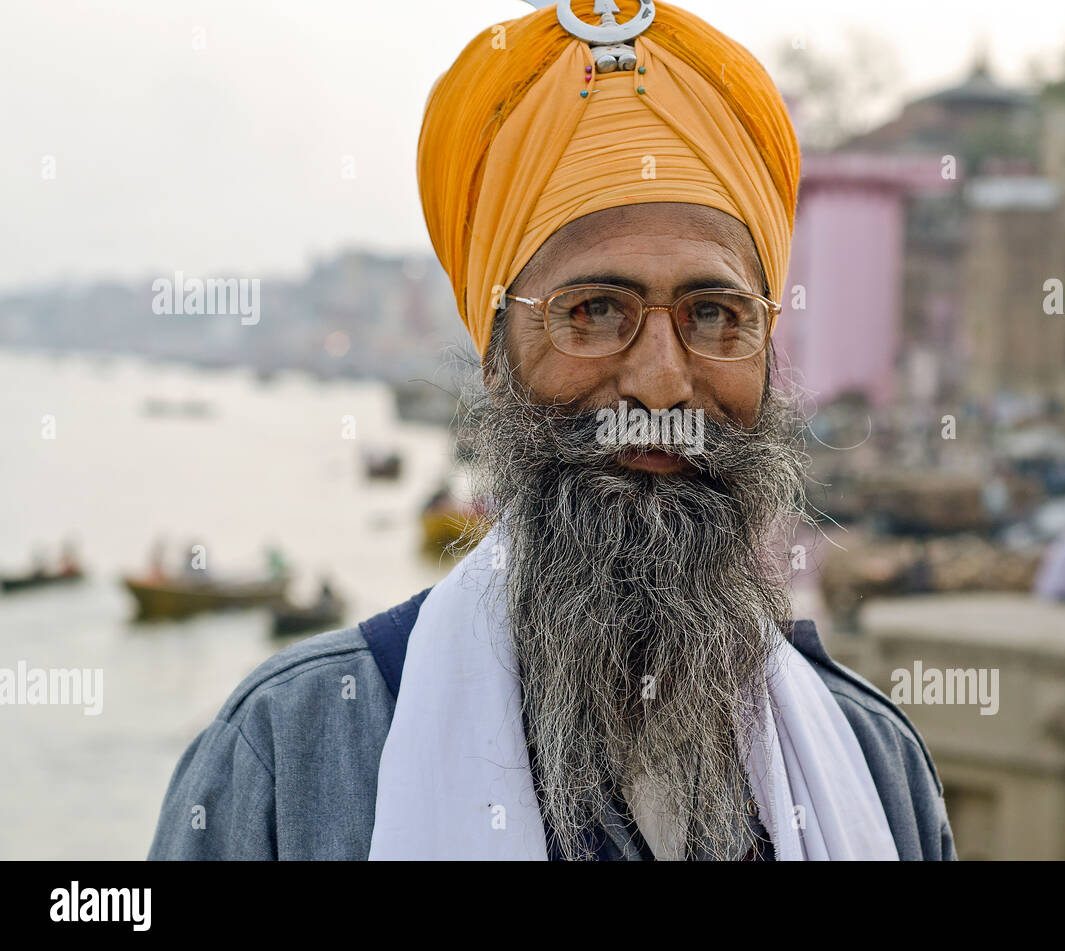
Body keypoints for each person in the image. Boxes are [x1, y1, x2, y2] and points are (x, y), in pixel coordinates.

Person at [148, 1, 953, 862]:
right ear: (496, 358)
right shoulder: (289, 758)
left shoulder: (875, 763)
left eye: (714, 313)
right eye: (596, 309)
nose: (660, 380)